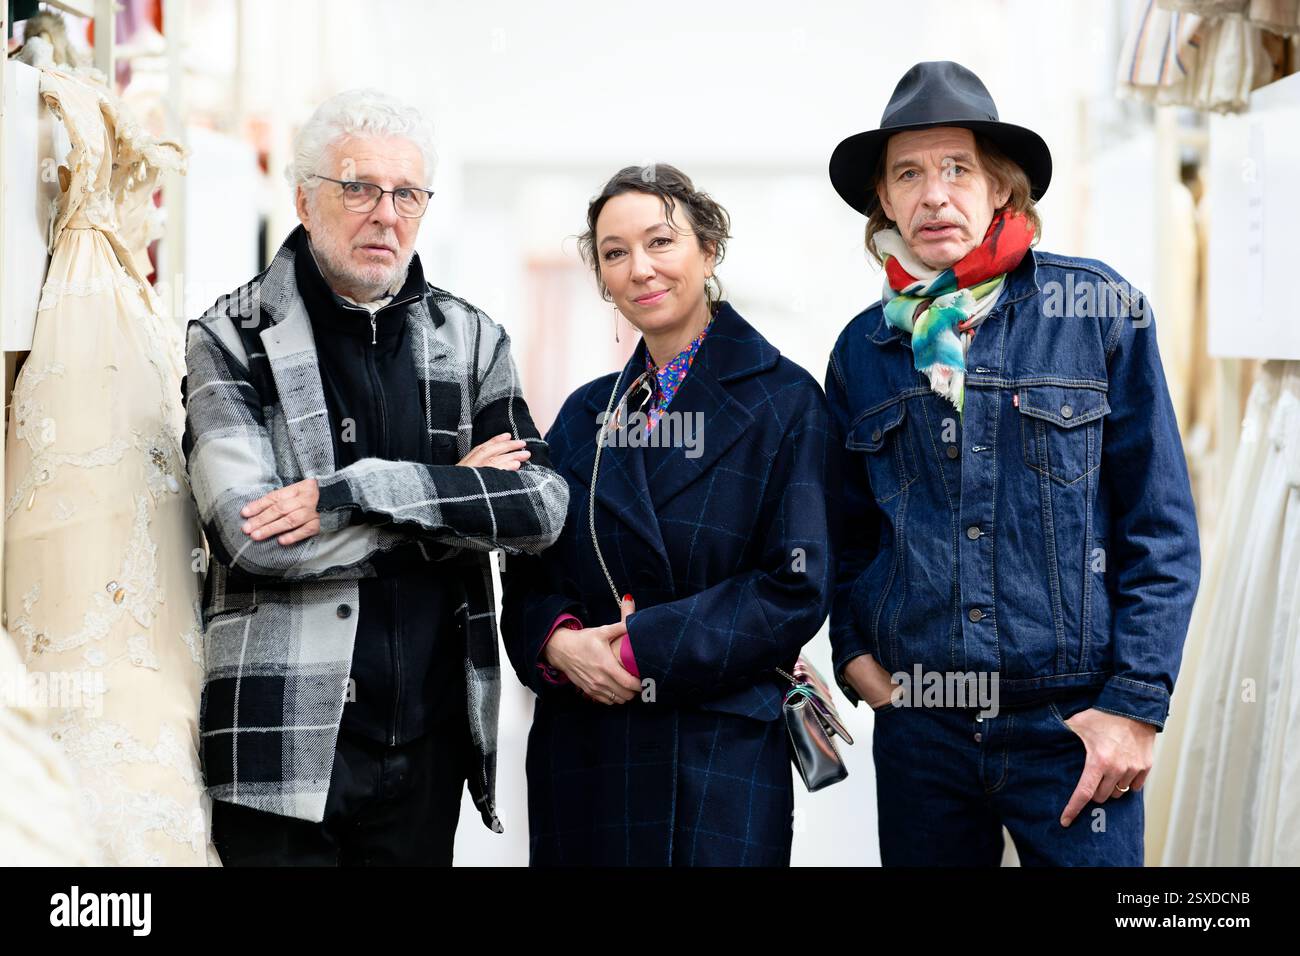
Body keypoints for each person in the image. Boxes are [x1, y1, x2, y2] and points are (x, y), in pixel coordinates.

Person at [825, 61, 1201, 866]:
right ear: (883, 201)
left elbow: (1160, 527)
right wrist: (857, 658)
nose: (934, 194)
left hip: (1071, 727)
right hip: (924, 729)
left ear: (1000, 186)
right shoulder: (864, 349)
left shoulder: (1097, 309)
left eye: (958, 168)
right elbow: (846, 532)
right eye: (909, 174)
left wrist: (1134, 709)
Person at [182, 89, 568, 865]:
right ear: (302, 196)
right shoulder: (229, 339)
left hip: (428, 747)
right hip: (281, 741)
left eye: (407, 194)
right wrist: (447, 494)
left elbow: (539, 506)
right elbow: (251, 536)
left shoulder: (471, 339)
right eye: (357, 187)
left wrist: (354, 490)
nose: (384, 214)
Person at [501, 164, 833, 866]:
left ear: (708, 251)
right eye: (615, 253)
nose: (640, 269)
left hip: (715, 753)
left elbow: (792, 587)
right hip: (588, 752)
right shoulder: (587, 412)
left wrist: (635, 648)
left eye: (661, 242)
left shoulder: (785, 402)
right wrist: (557, 644)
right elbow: (529, 576)